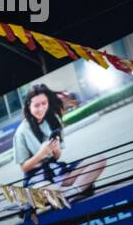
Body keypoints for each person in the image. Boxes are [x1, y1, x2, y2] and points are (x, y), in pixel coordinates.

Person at [11, 84, 107, 214]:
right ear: (28, 105)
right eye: (36, 105)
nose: (41, 108)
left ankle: (69, 195)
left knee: (100, 160)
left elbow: (57, 157)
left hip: (59, 175)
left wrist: (55, 150)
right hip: (39, 181)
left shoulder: (53, 120)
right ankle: (76, 191)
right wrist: (41, 154)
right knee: (48, 190)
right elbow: (24, 168)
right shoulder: (21, 132)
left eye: (44, 103)